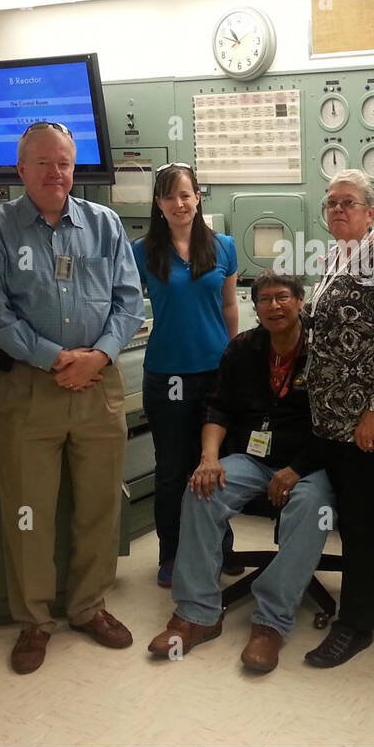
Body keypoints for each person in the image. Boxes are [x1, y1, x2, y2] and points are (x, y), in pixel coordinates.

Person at [0, 122, 145, 675]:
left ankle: (89, 606)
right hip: (29, 389)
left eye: (64, 163)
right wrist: (54, 359)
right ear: (21, 170)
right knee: (29, 511)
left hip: (99, 385)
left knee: (97, 506)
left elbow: (129, 302)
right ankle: (34, 621)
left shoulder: (105, 224)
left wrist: (98, 356)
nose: (55, 173)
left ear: (76, 168)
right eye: (43, 163)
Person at [146, 271, 334, 673]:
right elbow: (218, 407)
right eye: (264, 300)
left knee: (310, 505)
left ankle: (271, 622)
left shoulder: (325, 350)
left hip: (310, 461)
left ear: (301, 302)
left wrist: (296, 469)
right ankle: (196, 613)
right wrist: (209, 458)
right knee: (202, 490)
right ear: (255, 307)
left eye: (283, 298)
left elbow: (336, 422)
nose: (273, 306)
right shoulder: (243, 349)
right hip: (251, 457)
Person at [302, 170, 374, 667]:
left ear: (372, 211)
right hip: (334, 419)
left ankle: (355, 622)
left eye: (348, 203)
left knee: (368, 524)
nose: (338, 211)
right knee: (356, 520)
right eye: (330, 204)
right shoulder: (333, 258)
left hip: (371, 422)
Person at [132, 162, 241, 588]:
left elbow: (230, 306)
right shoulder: (142, 252)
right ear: (158, 204)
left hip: (215, 373)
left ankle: (221, 546)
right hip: (167, 376)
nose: (180, 203)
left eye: (186, 194)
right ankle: (172, 553)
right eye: (170, 196)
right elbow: (123, 303)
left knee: (217, 465)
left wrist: (232, 356)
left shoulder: (224, 247)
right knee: (173, 469)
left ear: (198, 197)